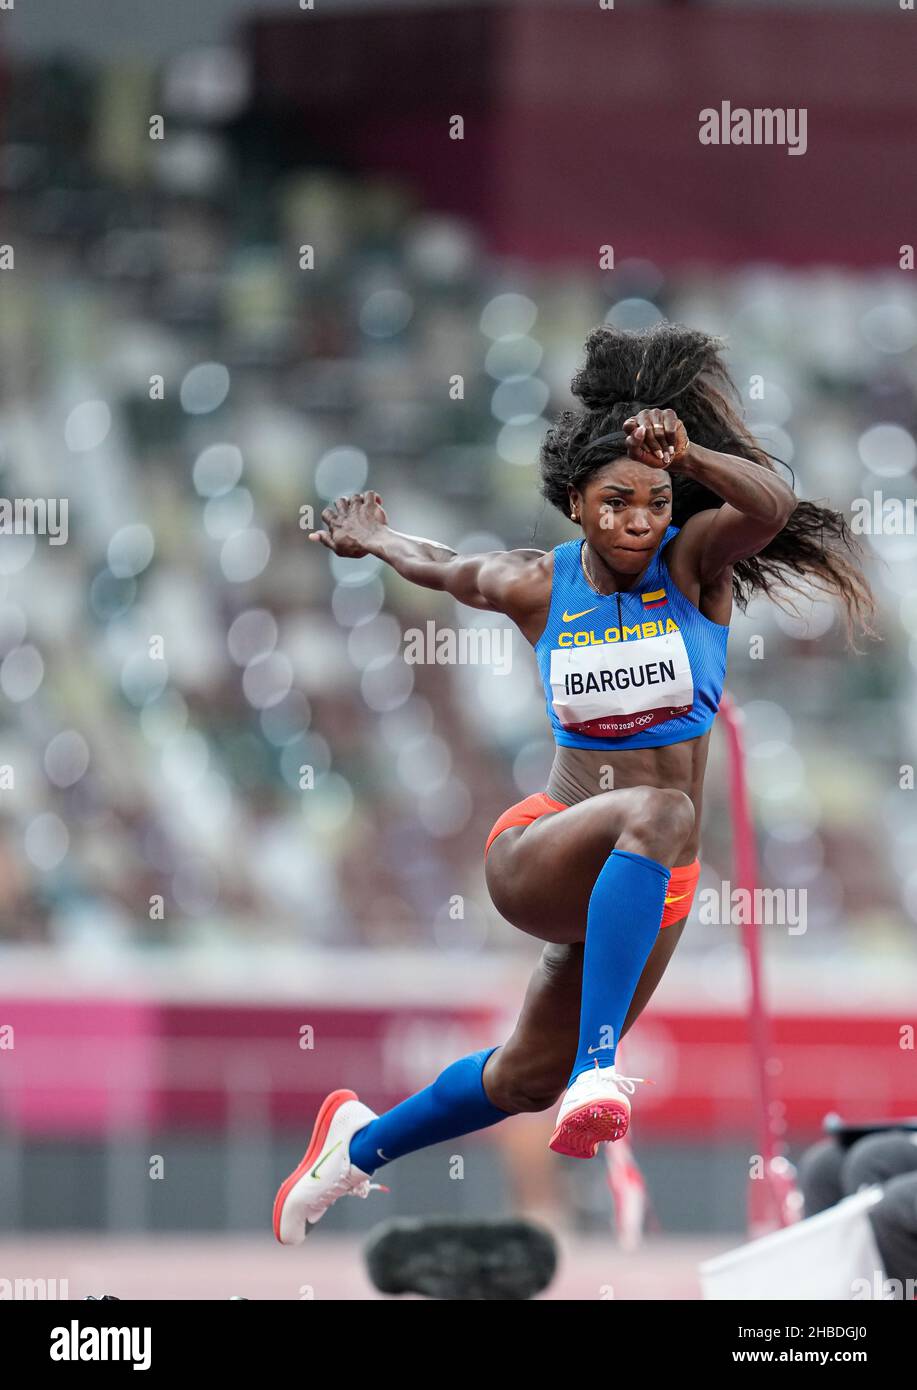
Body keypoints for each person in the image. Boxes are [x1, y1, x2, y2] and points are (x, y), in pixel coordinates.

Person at [274, 322, 874, 1245]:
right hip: (543, 848)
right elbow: (444, 566)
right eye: (617, 503)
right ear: (575, 504)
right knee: (662, 807)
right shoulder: (537, 585)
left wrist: (698, 453)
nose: (639, 520)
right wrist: (375, 537)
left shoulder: (695, 565)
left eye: (655, 501)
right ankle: (602, 1069)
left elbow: (772, 506)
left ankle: (353, 1150)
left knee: (522, 1079)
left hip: (653, 881)